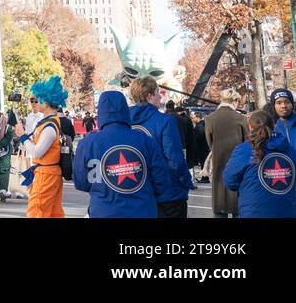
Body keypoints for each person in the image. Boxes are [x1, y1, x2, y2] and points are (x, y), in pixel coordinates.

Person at [73, 90, 174, 218]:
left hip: (104, 211)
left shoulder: (88, 142)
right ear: (125, 110)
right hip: (142, 211)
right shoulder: (145, 140)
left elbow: (80, 182)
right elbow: (162, 180)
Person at [127, 77, 195, 217]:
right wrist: (186, 181)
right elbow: (174, 157)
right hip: (167, 192)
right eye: (158, 92)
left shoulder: (125, 122)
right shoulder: (165, 121)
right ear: (150, 95)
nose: (160, 95)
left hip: (137, 188)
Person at [223, 110, 296, 218]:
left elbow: (230, 181)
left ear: (250, 127)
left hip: (254, 211)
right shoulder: (289, 149)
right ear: (274, 125)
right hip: (287, 210)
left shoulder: (244, 150)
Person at [18, 76, 67, 218]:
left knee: (36, 212)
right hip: (48, 173)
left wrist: (23, 136)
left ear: (46, 101)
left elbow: (37, 152)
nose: (35, 102)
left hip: (46, 174)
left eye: (38, 99)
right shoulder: (49, 122)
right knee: (53, 213)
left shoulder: (49, 126)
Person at [204, 95, 249, 217]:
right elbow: (247, 141)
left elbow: (209, 143)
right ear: (234, 101)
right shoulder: (241, 118)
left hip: (218, 162)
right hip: (238, 163)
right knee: (237, 206)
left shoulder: (210, 118)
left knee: (219, 204)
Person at [266, 88, 295, 152]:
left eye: (287, 102)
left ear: (292, 104)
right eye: (279, 103)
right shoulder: (271, 129)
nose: (283, 106)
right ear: (273, 106)